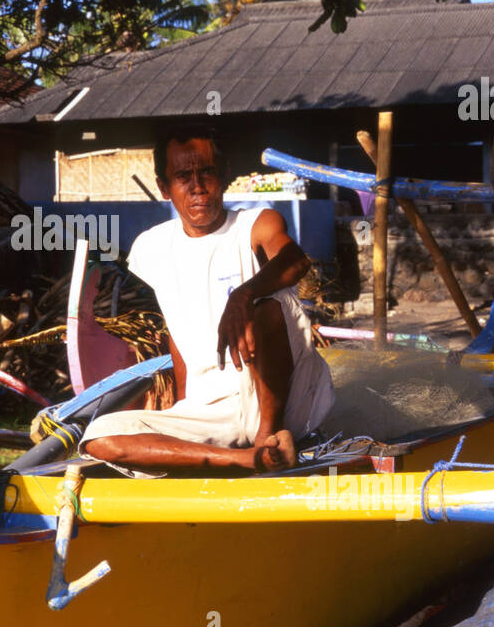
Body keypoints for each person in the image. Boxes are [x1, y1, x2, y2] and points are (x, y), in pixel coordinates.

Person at [79, 124, 335, 475]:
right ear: (163, 188)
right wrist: (184, 406)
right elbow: (178, 331)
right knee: (98, 436)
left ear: (225, 175)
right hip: (214, 412)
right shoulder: (150, 248)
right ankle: (248, 459)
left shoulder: (256, 223)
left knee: (266, 308)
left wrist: (245, 295)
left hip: (290, 401)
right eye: (183, 176)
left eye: (207, 172)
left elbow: (295, 260)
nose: (197, 187)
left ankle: (268, 437)